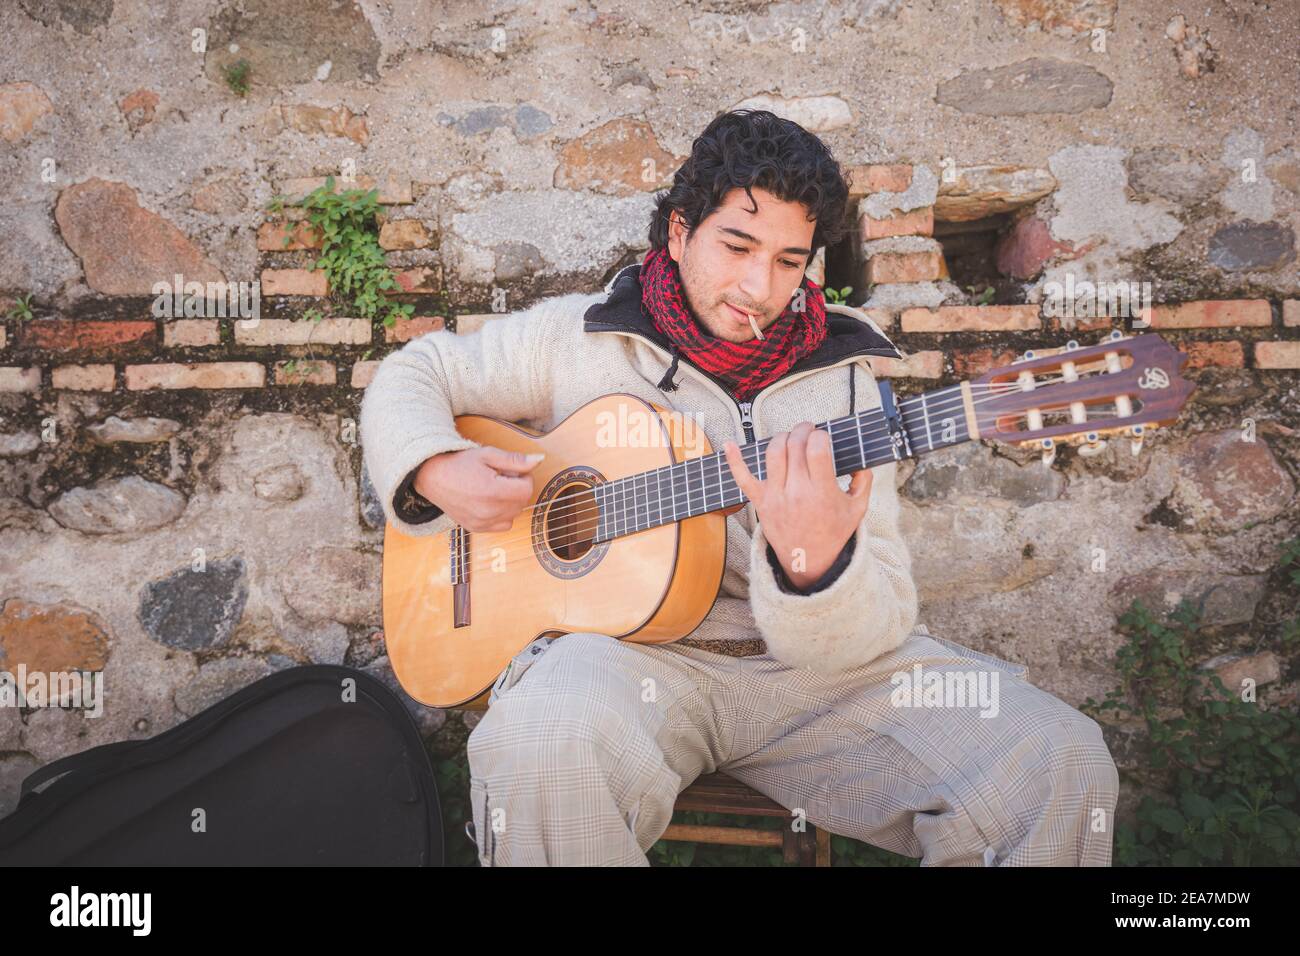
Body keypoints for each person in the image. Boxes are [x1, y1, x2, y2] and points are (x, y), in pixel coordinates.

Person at [360, 108, 1119, 866]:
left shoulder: (844, 385)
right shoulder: (580, 334)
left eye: (790, 261)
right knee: (543, 738)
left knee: (1059, 759)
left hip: (813, 682)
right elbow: (417, 372)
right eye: (737, 245)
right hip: (628, 664)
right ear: (681, 231)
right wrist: (434, 465)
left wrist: (815, 568)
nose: (759, 287)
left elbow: (872, 624)